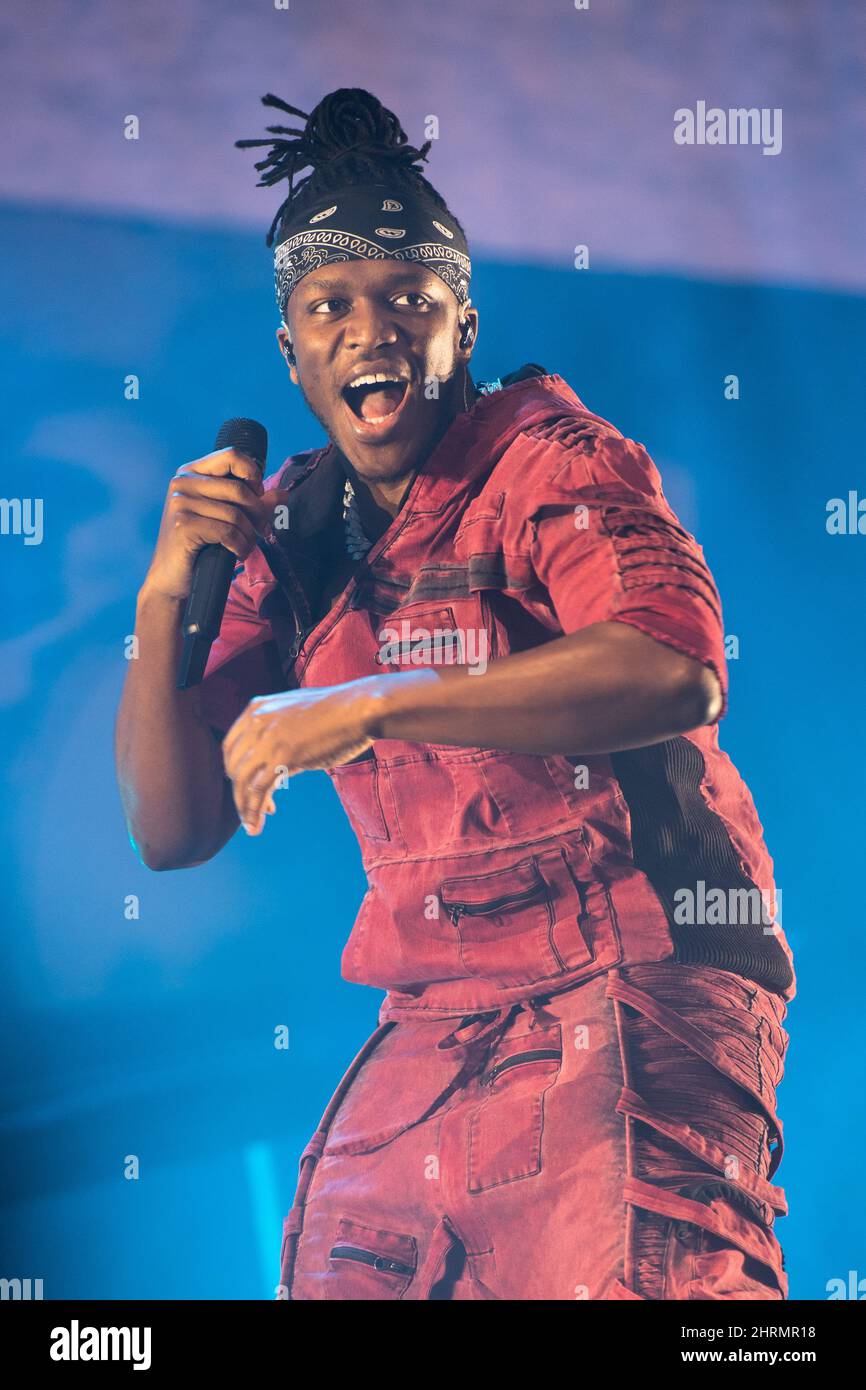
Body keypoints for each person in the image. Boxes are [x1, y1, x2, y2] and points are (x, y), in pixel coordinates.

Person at [114, 88, 795, 1301]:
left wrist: (372, 702)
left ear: (459, 324)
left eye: (407, 302)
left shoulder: (549, 457)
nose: (370, 330)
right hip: (435, 1016)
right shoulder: (297, 529)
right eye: (329, 306)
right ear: (290, 348)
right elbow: (173, 830)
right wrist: (165, 595)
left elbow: (672, 664)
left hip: (633, 972)